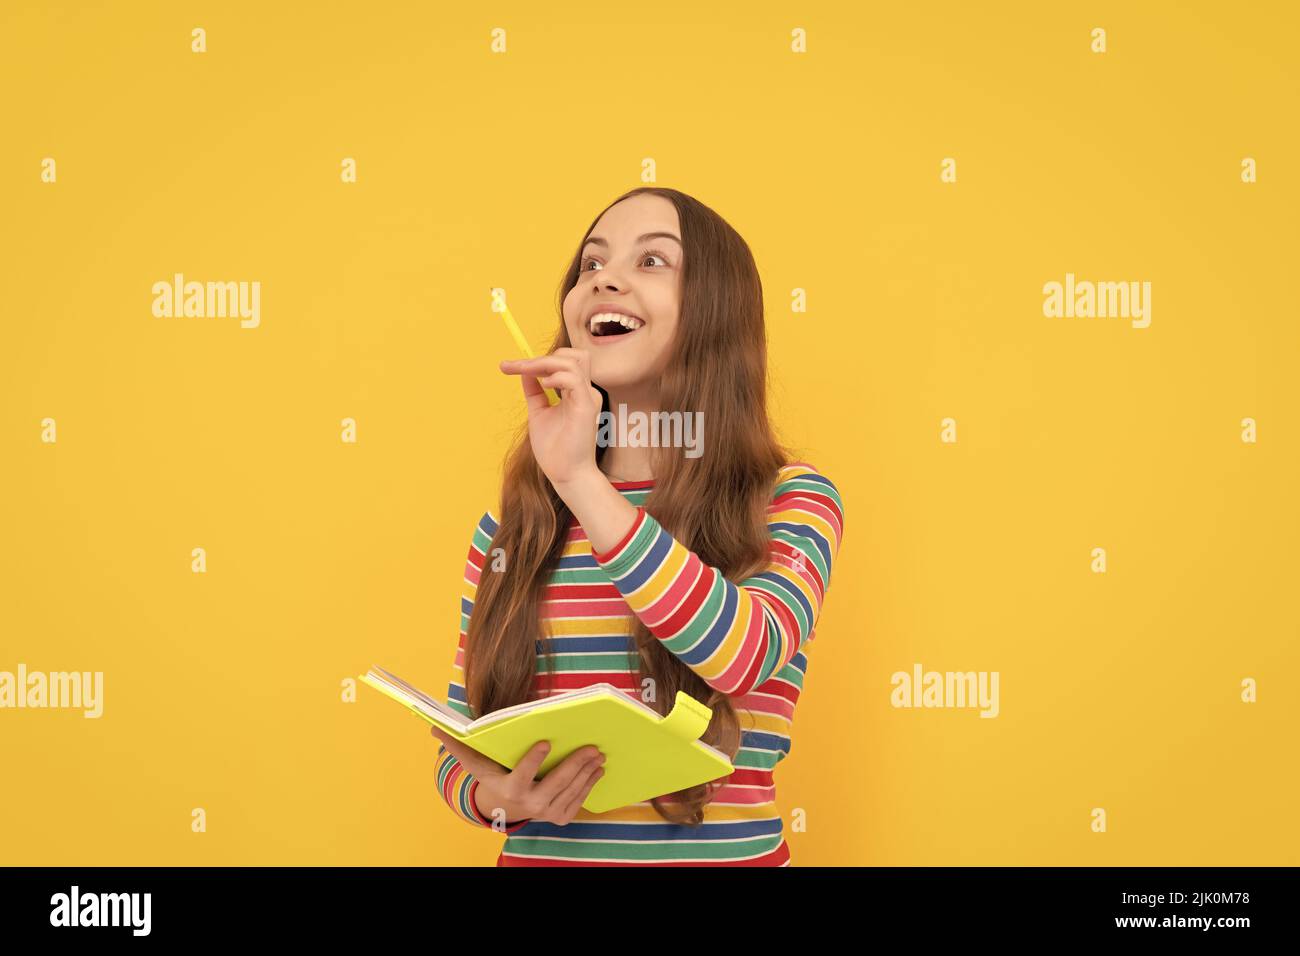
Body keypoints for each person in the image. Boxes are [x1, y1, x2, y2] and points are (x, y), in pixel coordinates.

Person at [430, 186, 844, 865]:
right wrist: (505, 799)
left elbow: (743, 653)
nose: (606, 279)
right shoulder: (513, 527)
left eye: (652, 261)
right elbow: (461, 750)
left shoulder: (791, 502)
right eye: (590, 265)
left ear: (715, 312)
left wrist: (580, 481)